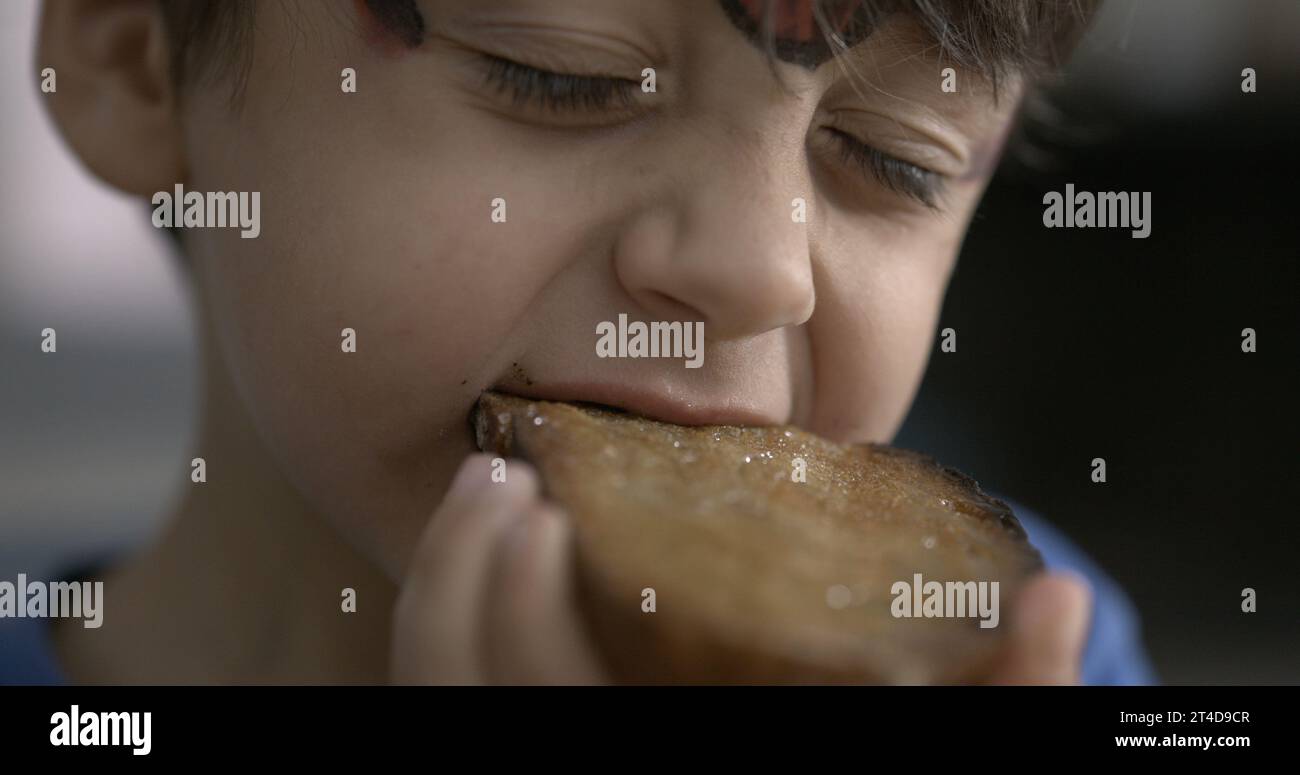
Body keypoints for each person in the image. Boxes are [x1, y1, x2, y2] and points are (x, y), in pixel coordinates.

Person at [3, 0, 1153, 684]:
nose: (758, 269)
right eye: (561, 74)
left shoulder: (1035, 656)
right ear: (137, 57)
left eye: (898, 156)